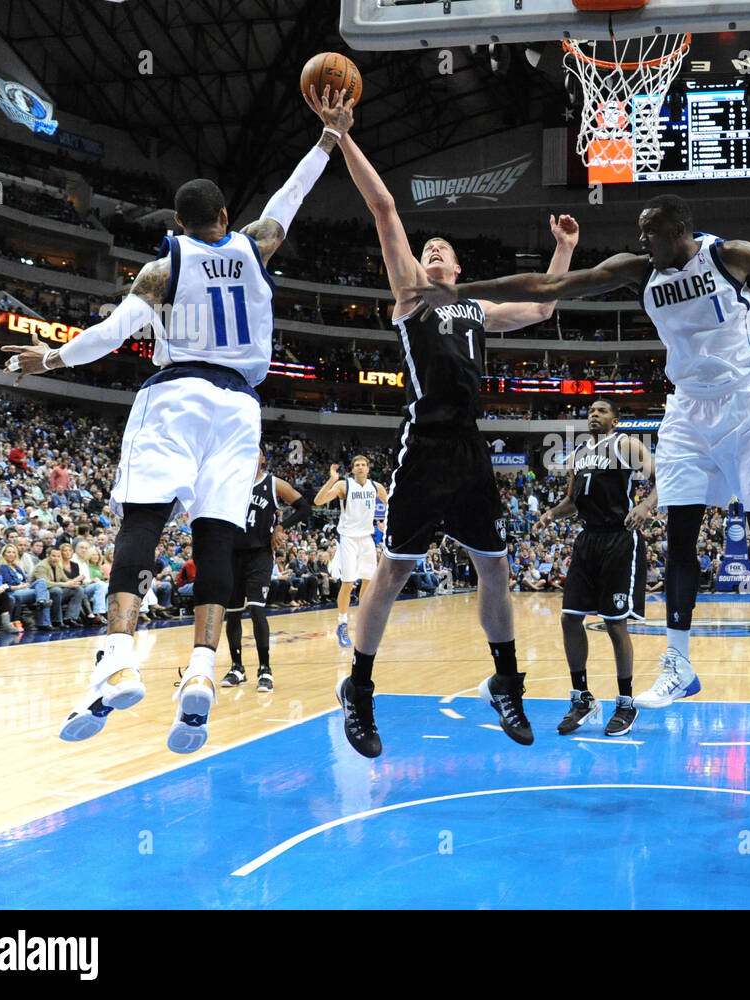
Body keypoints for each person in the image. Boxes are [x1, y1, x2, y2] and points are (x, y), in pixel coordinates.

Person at [412, 194, 750, 721]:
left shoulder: (729, 256)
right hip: (688, 407)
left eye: (651, 231)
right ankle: (678, 663)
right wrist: (458, 292)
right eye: (640, 232)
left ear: (680, 229)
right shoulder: (638, 270)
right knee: (680, 535)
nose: (641, 240)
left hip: (747, 402)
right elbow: (548, 287)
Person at [4, 87, 355, 753]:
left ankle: (118, 659)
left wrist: (49, 359)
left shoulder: (161, 271)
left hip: (175, 396)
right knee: (215, 541)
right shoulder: (255, 247)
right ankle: (199, 673)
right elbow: (290, 198)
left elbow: (112, 334)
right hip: (238, 409)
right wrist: (328, 137)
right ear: (225, 215)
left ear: (178, 222)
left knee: (142, 523)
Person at [314, 84, 578, 756]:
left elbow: (546, 307)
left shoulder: (477, 309)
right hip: (424, 446)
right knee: (394, 572)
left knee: (495, 568)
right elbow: (382, 205)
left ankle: (505, 685)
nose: (430, 255)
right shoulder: (410, 298)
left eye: (440, 252)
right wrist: (341, 133)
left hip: (470, 448)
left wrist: (564, 249)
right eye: (424, 250)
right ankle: (361, 691)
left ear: (458, 268)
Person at [536, 399, 656, 737]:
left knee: (615, 625)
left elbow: (665, 477)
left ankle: (625, 703)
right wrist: (550, 515)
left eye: (601, 410)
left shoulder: (626, 445)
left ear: (614, 420)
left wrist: (646, 505)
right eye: (590, 410)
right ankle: (582, 698)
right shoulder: (577, 454)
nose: (593, 414)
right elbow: (572, 502)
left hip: (619, 539)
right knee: (569, 617)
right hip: (587, 540)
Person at [223, 447, 311, 692]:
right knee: (232, 613)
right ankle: (237, 667)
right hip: (233, 553)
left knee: (256, 608)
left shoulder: (273, 483)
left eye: (256, 453)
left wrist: (281, 527)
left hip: (260, 554)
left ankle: (265, 669)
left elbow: (304, 507)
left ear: (263, 458)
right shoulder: (230, 483)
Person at [313, 455, 385, 647]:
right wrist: (332, 480)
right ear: (352, 470)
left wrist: (386, 523)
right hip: (348, 539)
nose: (361, 468)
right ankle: (342, 623)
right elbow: (318, 501)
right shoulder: (344, 486)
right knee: (348, 583)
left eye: (364, 465)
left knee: (369, 582)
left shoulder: (377, 487)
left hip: (367, 538)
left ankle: (363, 621)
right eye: (357, 465)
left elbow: (390, 507)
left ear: (368, 469)